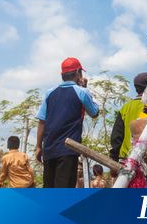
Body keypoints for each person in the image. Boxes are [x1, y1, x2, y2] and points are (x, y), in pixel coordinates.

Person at [35, 57, 99, 188]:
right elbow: (94, 113)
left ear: (62, 75)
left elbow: (41, 122)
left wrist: (38, 147)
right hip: (68, 150)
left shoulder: (49, 93)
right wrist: (85, 89)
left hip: (49, 149)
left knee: (49, 191)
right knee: (64, 192)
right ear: (77, 73)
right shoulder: (81, 91)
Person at [109, 72, 147, 161]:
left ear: (136, 88)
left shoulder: (125, 108)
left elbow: (117, 136)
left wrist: (114, 157)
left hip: (126, 158)